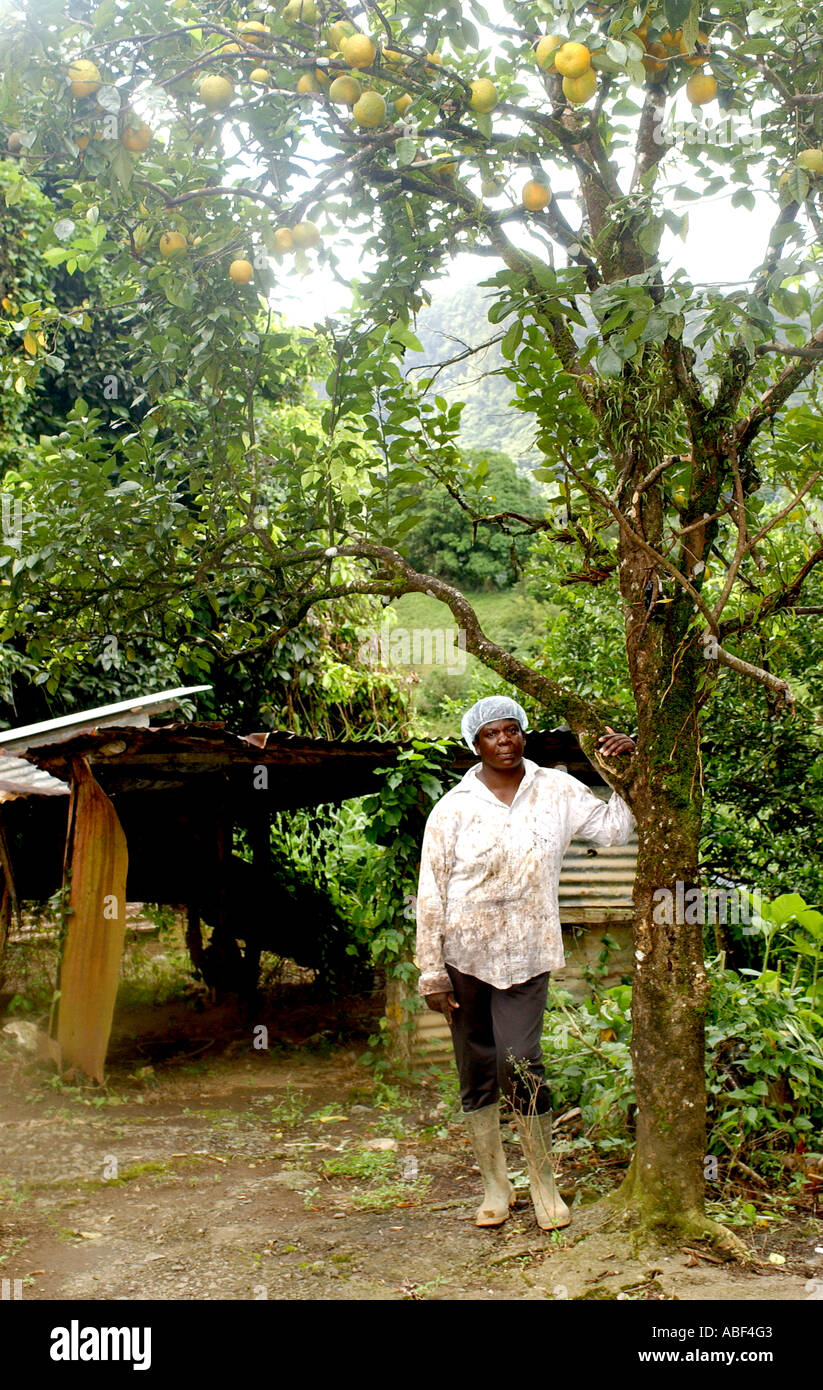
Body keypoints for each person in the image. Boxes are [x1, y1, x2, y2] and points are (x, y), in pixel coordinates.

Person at [415, 695, 636, 1231]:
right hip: (463, 954)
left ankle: (543, 1183)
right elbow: (431, 892)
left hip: (528, 950)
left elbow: (614, 830)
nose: (505, 740)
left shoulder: (556, 789)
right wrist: (431, 970)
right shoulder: (453, 807)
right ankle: (495, 1185)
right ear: (476, 743)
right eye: (492, 733)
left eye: (512, 730)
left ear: (524, 735)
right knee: (477, 1067)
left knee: (522, 1061)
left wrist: (627, 768)